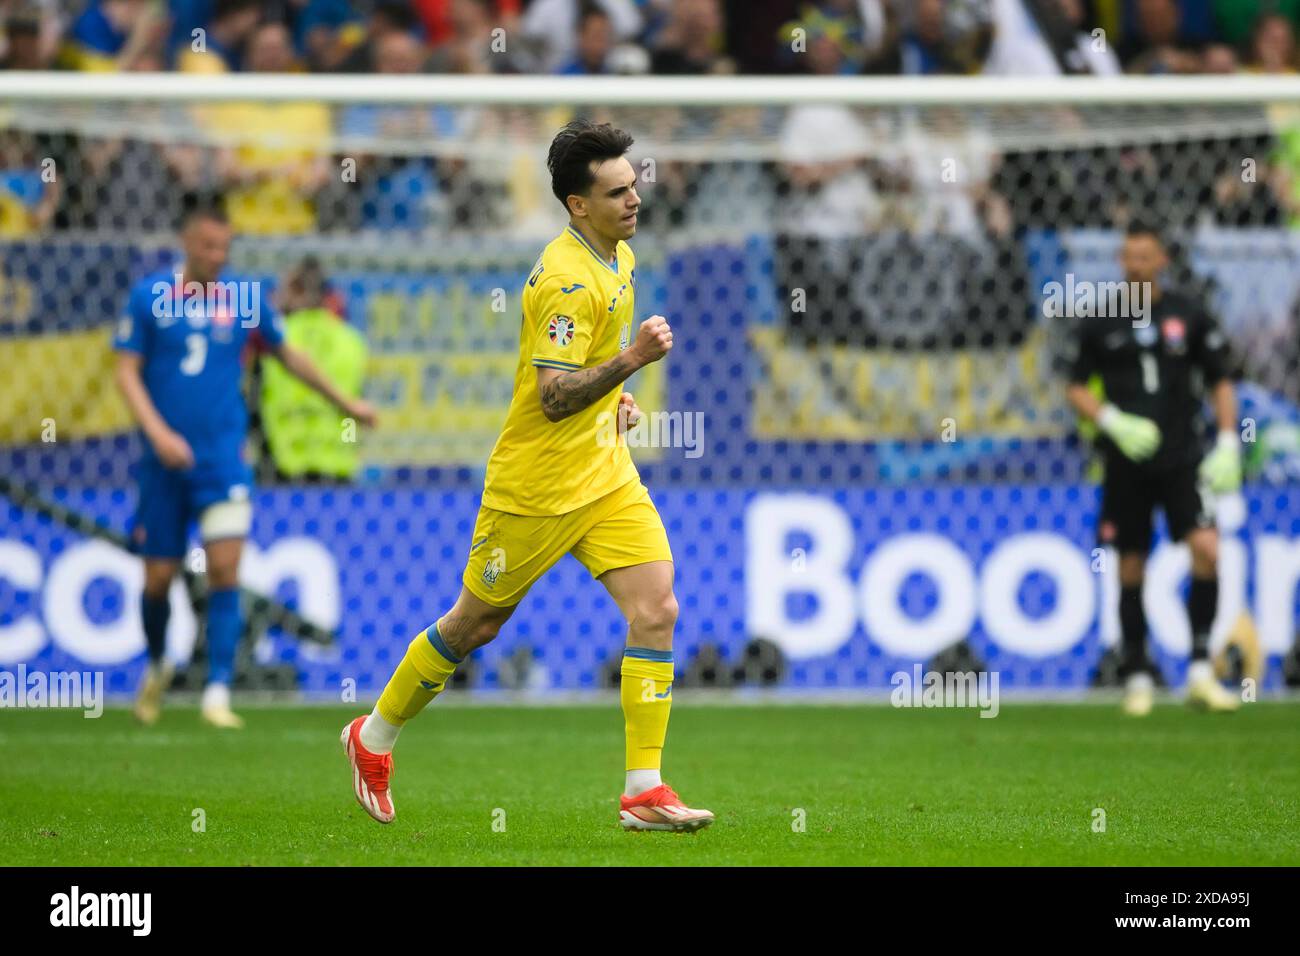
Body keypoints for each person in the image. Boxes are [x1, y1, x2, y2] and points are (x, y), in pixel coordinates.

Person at [340, 120, 714, 832]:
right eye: (616, 191)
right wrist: (633, 360)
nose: (634, 199)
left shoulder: (619, 257)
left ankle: (644, 789)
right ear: (578, 205)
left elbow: (583, 381)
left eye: (634, 184)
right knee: (476, 623)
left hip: (603, 472)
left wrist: (615, 394)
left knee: (657, 609)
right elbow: (551, 396)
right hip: (536, 487)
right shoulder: (568, 281)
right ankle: (374, 736)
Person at [114, 206, 376, 728]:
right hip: (163, 463)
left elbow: (289, 356)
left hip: (223, 461)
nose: (218, 256)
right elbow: (126, 373)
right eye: (208, 246)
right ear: (187, 241)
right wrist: (159, 433)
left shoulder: (244, 298)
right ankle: (158, 664)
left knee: (226, 570)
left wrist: (346, 403)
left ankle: (217, 691)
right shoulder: (148, 297)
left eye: (224, 247)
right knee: (158, 580)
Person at [1064, 221, 1243, 716]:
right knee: (1130, 566)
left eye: (1145, 256)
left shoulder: (1189, 314)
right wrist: (1110, 419)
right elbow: (1075, 385)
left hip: (1184, 457)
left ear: (1162, 259)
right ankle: (1138, 673)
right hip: (1126, 461)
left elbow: (1220, 380)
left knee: (1207, 549)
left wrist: (1228, 440)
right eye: (1128, 257)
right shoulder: (1100, 319)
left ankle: (1202, 669)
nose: (1136, 265)